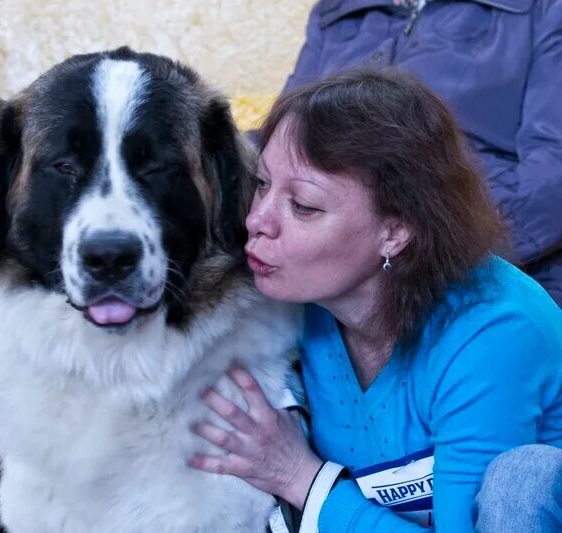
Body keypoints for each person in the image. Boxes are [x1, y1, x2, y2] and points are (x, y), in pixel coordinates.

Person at [189, 68, 562, 532]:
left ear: (396, 231)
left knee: (523, 480)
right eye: (262, 185)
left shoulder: (494, 334)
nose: (258, 220)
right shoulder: (301, 300)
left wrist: (301, 479)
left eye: (303, 206)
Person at [279, 0, 562, 306]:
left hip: (487, 262)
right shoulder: (337, 11)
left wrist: (439, 244)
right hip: (336, 262)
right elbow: (285, 138)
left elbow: (552, 171)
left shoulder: (543, 10)